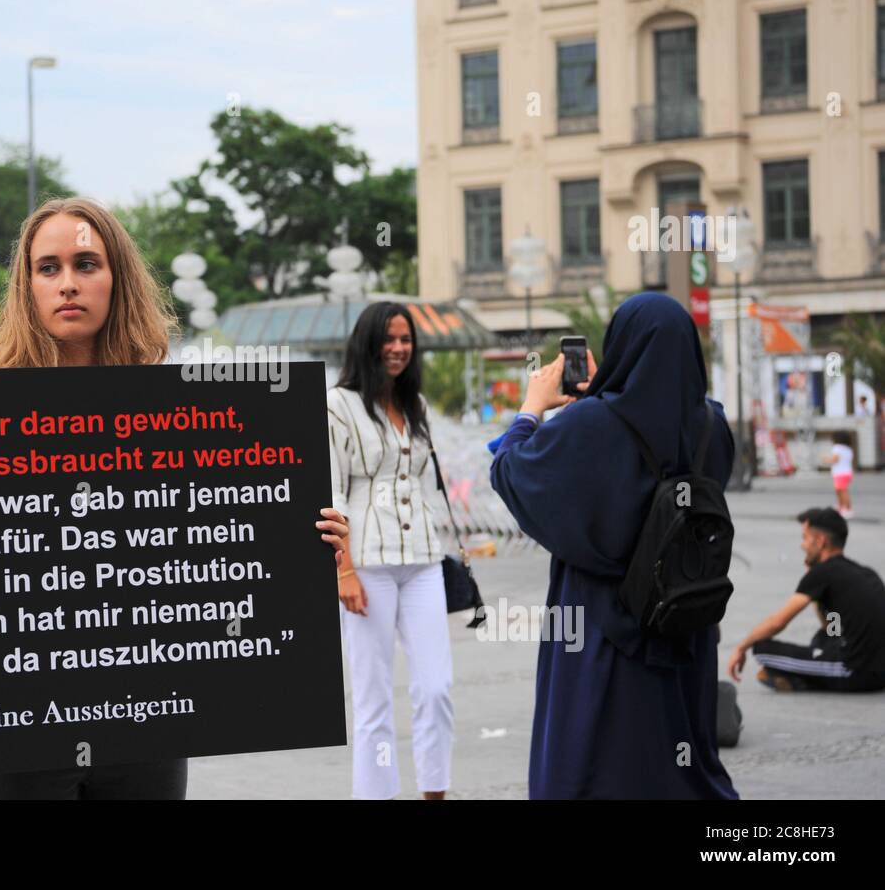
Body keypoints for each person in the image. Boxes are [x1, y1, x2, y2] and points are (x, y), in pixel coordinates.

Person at [0, 197, 353, 798]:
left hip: (144, 726)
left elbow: (217, 549)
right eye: (47, 268)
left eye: (86, 263)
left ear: (117, 278)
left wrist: (305, 546)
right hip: (7, 733)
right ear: (26, 286)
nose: (67, 283)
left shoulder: (180, 419)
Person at [490, 292, 738, 799]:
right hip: (683, 616)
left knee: (596, 752)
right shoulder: (714, 424)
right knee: (677, 750)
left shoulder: (590, 426)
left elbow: (512, 473)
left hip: (602, 622)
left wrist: (532, 409)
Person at [324, 301, 455, 801]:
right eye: (390, 339)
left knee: (436, 688)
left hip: (423, 560)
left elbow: (426, 486)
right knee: (374, 698)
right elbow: (331, 493)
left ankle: (435, 792)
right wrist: (345, 571)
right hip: (368, 565)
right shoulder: (338, 405)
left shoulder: (415, 406)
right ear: (368, 343)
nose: (399, 349)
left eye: (406, 340)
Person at [727, 508, 885, 693]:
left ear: (821, 541)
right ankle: (805, 676)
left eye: (805, 538)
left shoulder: (822, 573)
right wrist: (817, 596)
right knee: (822, 637)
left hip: (855, 672)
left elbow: (778, 623)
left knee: (762, 649)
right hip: (879, 672)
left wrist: (741, 647)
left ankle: (801, 680)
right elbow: (831, 627)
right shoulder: (862, 571)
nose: (802, 545)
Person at [824, 431, 854, 519]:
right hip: (847, 472)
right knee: (840, 491)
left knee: (842, 491)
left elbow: (835, 459)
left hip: (840, 473)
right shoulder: (848, 448)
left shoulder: (837, 448)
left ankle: (847, 509)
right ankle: (841, 506)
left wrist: (826, 460)